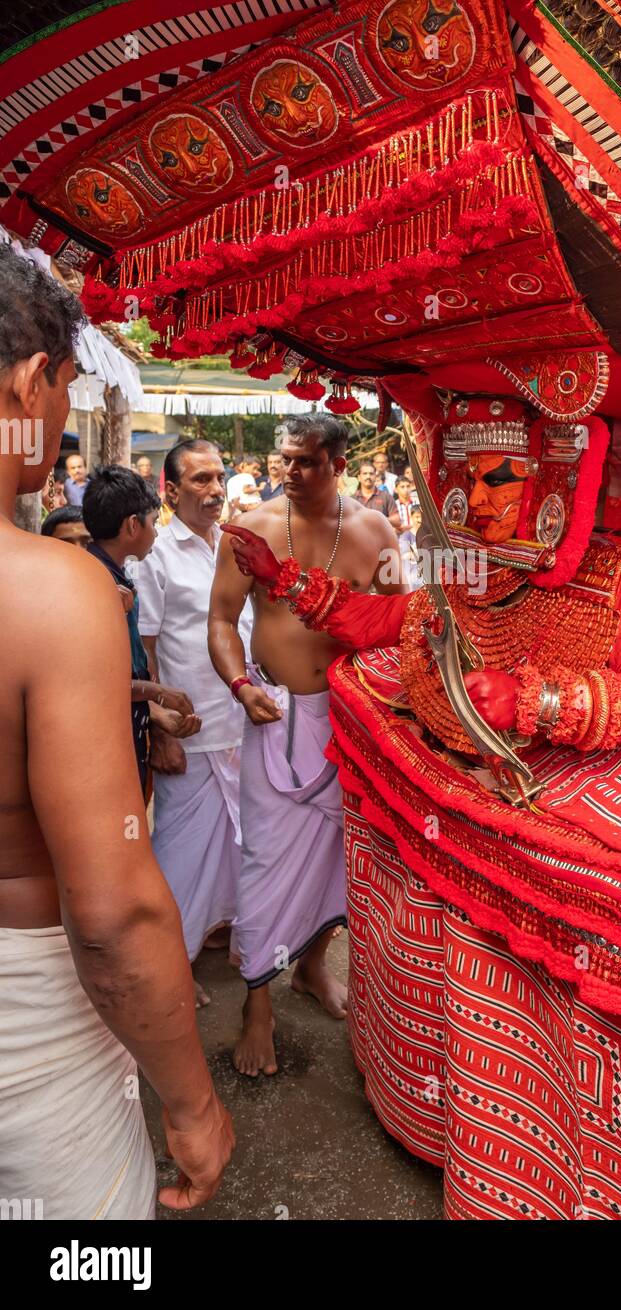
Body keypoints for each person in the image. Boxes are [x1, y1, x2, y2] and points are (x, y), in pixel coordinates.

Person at [0, 243, 233, 1218]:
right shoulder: (52, 593)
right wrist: (192, 1101)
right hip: (28, 1024)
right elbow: (112, 915)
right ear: (28, 381)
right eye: (61, 391)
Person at [209, 413, 405, 1077]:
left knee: (338, 861)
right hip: (273, 715)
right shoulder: (254, 529)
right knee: (265, 860)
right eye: (283, 459)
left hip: (351, 721)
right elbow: (220, 620)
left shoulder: (377, 531)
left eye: (305, 462)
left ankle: (313, 968)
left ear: (338, 464)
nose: (288, 472)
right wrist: (239, 684)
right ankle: (256, 1007)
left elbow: (403, 625)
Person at [137, 439, 252, 988]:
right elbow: (147, 646)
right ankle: (164, 966)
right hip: (191, 729)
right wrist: (159, 726)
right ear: (172, 490)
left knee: (236, 842)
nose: (214, 490)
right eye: (200, 480)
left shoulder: (233, 545)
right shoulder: (157, 555)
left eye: (219, 478)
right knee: (181, 854)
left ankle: (217, 928)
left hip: (241, 721)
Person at [83, 465, 201, 791]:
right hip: (104, 737)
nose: (158, 532)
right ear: (133, 525)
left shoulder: (112, 574)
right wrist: (159, 691)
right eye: (154, 522)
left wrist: (155, 713)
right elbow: (97, 681)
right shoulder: (95, 585)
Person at [356, 460, 401, 532]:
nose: (368, 476)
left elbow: (397, 521)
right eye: (365, 473)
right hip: (359, 539)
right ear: (359, 477)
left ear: (375, 476)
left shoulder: (386, 496)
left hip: (381, 540)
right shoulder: (353, 499)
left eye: (371, 474)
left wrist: (379, 519)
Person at [398, 504, 424, 590]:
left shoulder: (427, 535)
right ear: (411, 517)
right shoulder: (406, 536)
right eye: (417, 517)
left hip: (424, 575)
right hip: (410, 577)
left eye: (421, 517)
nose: (420, 520)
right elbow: (404, 555)